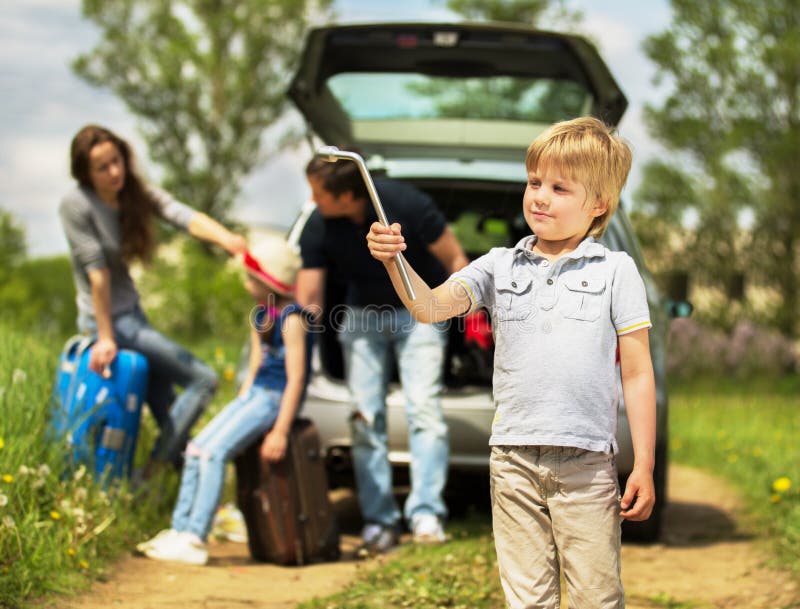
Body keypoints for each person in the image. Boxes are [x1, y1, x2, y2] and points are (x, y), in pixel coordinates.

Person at [367, 116, 656, 608]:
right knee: (527, 598)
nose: (540, 196)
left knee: (596, 596)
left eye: (560, 188)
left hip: (586, 461)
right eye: (534, 182)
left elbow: (637, 371)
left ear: (599, 204)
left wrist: (644, 464)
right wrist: (395, 261)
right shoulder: (497, 264)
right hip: (511, 457)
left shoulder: (615, 270)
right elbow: (428, 306)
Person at [297, 154, 469, 552]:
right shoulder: (319, 222)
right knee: (364, 415)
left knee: (424, 409)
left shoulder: (407, 205)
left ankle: (426, 516)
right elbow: (310, 292)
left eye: (319, 192)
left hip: (419, 312)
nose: (313, 199)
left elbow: (455, 260)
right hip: (361, 317)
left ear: (346, 195)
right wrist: (299, 332)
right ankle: (379, 522)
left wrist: (466, 316)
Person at [59, 125, 248, 467]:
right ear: (85, 173)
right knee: (203, 380)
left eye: (117, 160)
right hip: (109, 323)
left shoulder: (133, 193)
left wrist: (227, 239)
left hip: (133, 316)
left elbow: (180, 214)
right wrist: (104, 337)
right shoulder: (76, 205)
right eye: (103, 167)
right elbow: (96, 274)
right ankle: (154, 472)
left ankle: (173, 488)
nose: (115, 172)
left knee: (166, 406)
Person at [137, 235, 311, 565]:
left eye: (251, 278)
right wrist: (241, 400)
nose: (246, 284)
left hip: (273, 399)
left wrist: (280, 430)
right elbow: (256, 366)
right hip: (255, 396)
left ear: (267, 281)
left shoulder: (292, 319)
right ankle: (180, 529)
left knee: (215, 454)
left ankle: (196, 537)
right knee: (196, 448)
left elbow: (297, 378)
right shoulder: (262, 315)